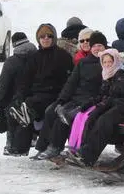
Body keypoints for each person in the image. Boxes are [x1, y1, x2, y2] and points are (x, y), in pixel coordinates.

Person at [64, 47, 124, 167]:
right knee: (91, 116)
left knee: (104, 120)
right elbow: (111, 91)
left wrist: (115, 90)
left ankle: (87, 157)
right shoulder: (122, 70)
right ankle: (81, 150)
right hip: (117, 102)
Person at [30, 31, 107, 160]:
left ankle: (55, 147)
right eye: (94, 46)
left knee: (64, 116)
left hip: (90, 101)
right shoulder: (83, 63)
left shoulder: (107, 61)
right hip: (75, 98)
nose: (97, 49)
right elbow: (71, 83)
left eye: (100, 46)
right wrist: (61, 100)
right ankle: (42, 147)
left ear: (105, 47)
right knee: (51, 110)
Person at [7, 23, 74, 155]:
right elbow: (25, 81)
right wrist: (19, 96)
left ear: (53, 38)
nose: (46, 39)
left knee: (30, 107)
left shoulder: (63, 56)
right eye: (42, 36)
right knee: (17, 106)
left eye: (49, 36)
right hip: (35, 94)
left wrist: (61, 97)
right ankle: (19, 147)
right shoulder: (34, 58)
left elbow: (68, 81)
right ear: (38, 39)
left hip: (54, 94)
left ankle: (33, 146)